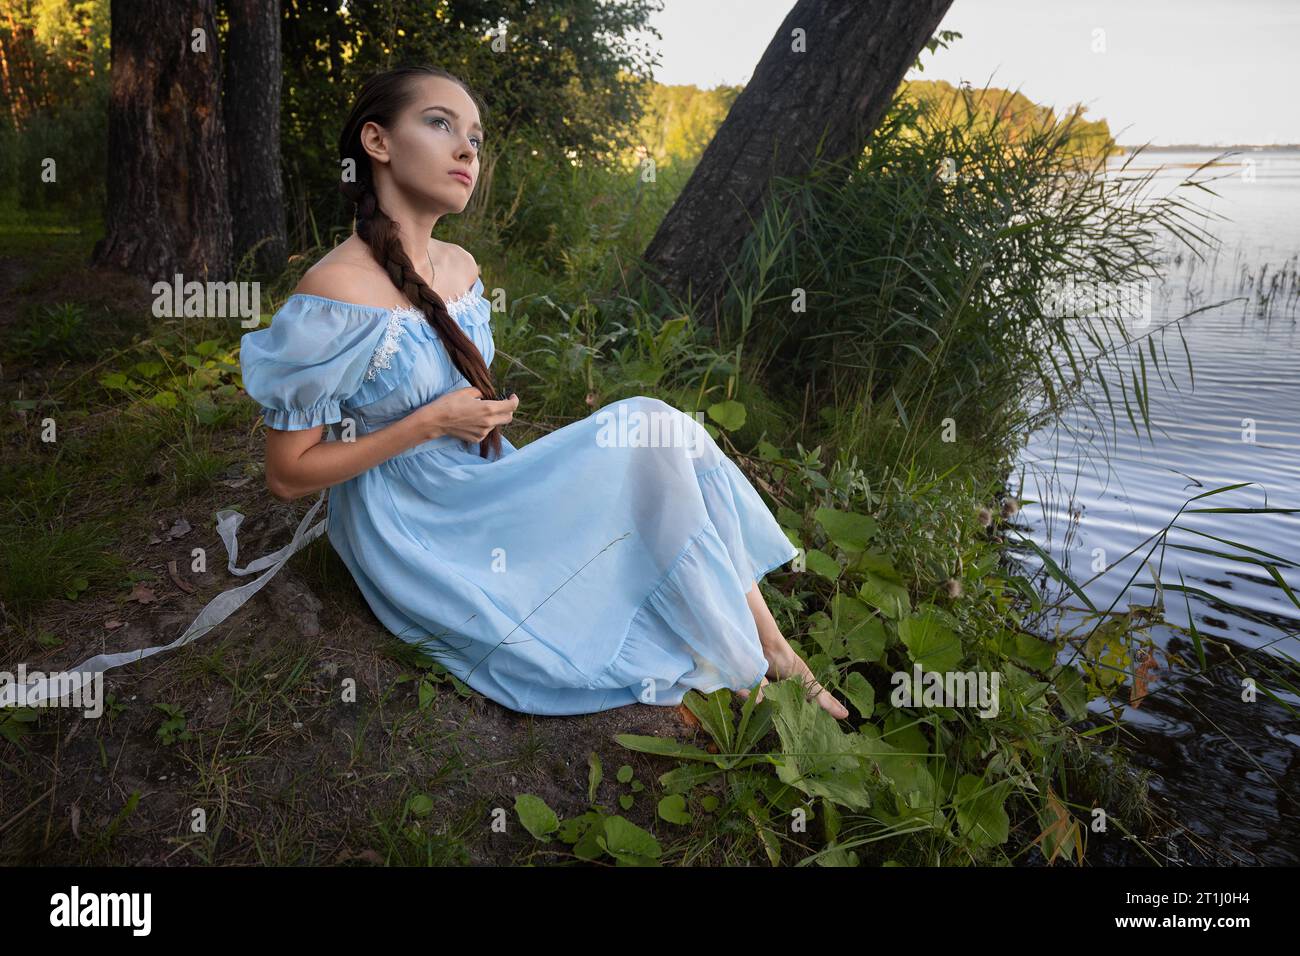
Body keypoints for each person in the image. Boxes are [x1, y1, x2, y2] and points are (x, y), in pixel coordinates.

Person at [238, 65, 849, 719]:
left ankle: (774, 649)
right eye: (440, 124)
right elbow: (288, 475)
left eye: (474, 135)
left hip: (482, 479)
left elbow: (455, 396)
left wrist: (481, 416)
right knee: (645, 426)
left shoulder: (463, 268)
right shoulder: (336, 292)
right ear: (378, 143)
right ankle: (751, 658)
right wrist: (429, 424)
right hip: (412, 518)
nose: (467, 148)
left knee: (658, 430)